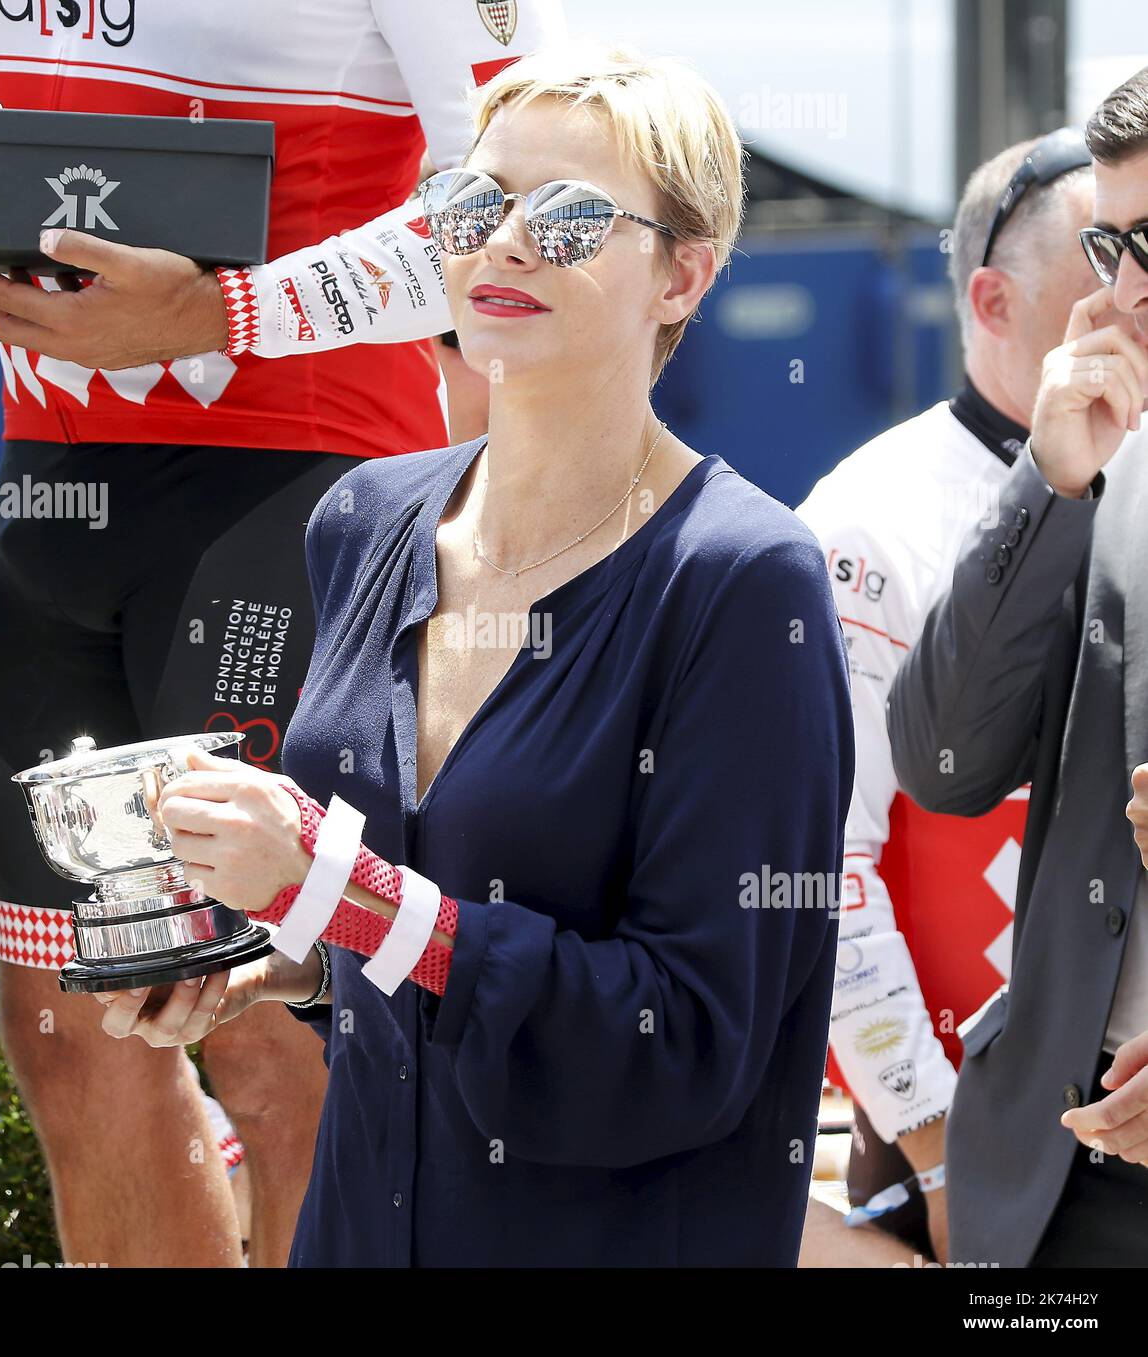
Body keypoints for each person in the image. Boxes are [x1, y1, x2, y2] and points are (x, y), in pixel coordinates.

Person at [93, 40, 854, 1268]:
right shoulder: (366, 517)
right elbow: (399, 952)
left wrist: (342, 891)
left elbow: (692, 1042)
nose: (501, 243)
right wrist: (261, 963)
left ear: (684, 276)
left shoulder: (741, 579)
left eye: (567, 217)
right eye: (470, 201)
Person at [0, 0, 567, 1267]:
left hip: (302, 488)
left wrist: (218, 316)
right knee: (74, 1034)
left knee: (275, 1028)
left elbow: (529, 205)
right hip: (49, 497)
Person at [796, 127, 1098, 1265]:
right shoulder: (870, 521)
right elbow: (822, 870)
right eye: (1104, 266)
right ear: (992, 298)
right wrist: (935, 1148)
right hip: (958, 1134)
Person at [887, 67, 1148, 1267]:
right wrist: (1044, 481)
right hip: (1063, 1179)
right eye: (1110, 246)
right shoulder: (1103, 467)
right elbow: (943, 762)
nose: (1127, 290)